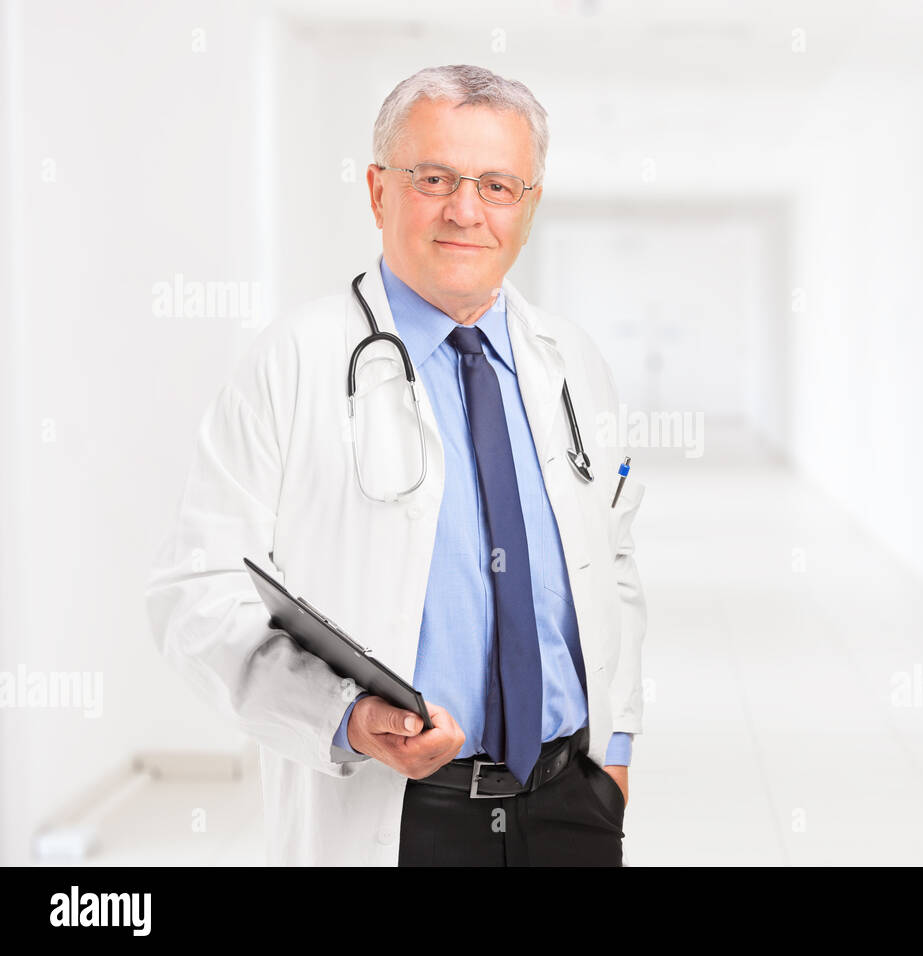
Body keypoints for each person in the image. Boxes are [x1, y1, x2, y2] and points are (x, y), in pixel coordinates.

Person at [144, 64, 648, 866]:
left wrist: (614, 751)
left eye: (497, 185)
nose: (465, 211)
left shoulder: (572, 361)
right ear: (378, 191)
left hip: (569, 804)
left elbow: (613, 561)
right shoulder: (294, 363)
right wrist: (342, 717)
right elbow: (197, 594)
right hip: (399, 812)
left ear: (531, 206)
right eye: (435, 178)